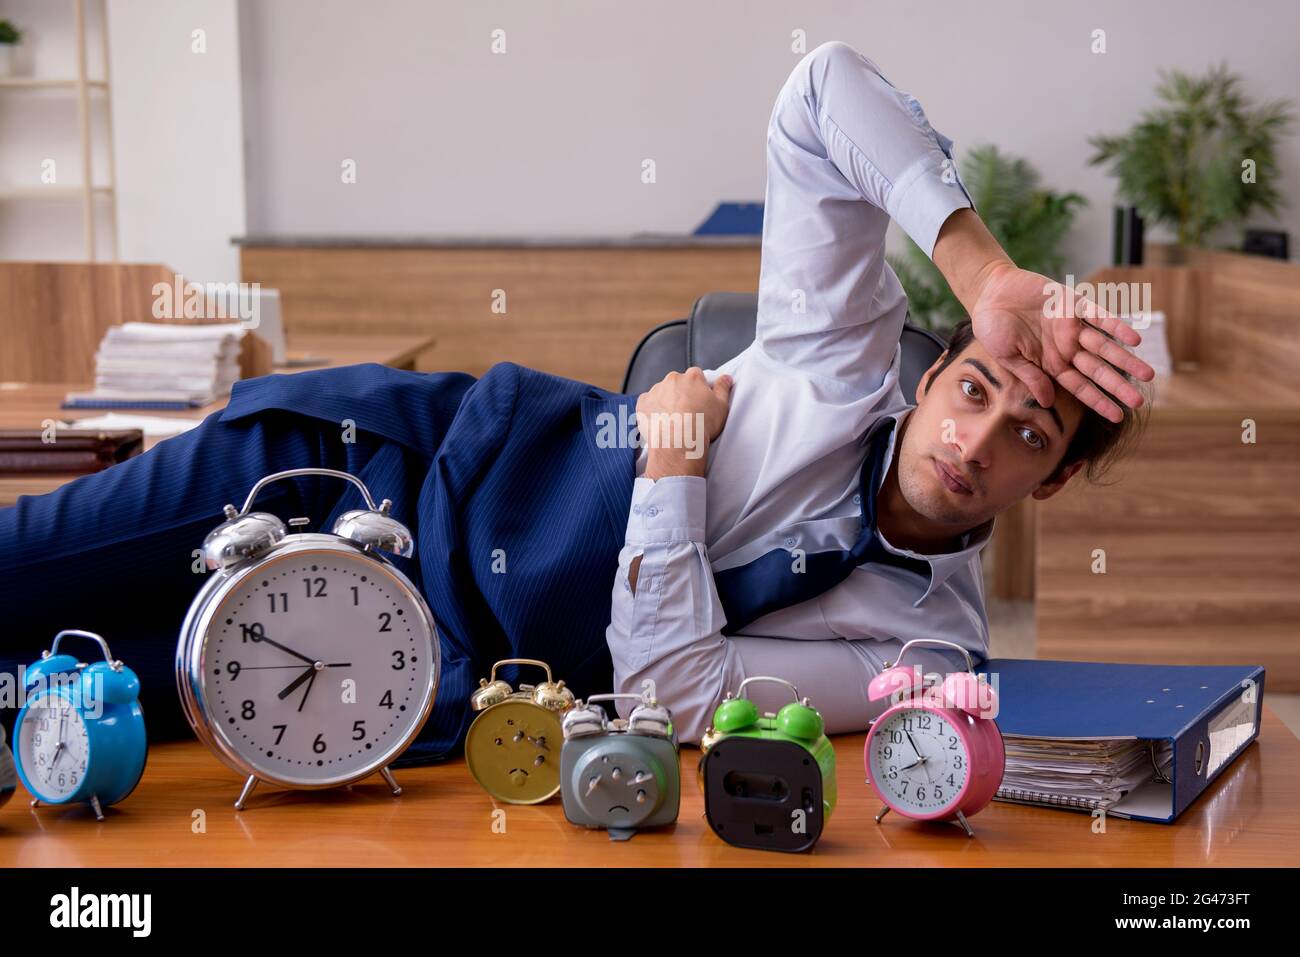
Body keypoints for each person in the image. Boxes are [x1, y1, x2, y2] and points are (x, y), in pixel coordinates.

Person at [0, 41, 1152, 766]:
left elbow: (676, 696)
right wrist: (986, 274)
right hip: (359, 469)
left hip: (422, 672)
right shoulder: (837, 359)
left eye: (1026, 437)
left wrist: (673, 473)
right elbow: (820, 91)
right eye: (976, 388)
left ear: (1045, 483)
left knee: (62, 699)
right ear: (933, 373)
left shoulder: (927, 647)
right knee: (21, 569)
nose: (976, 439)